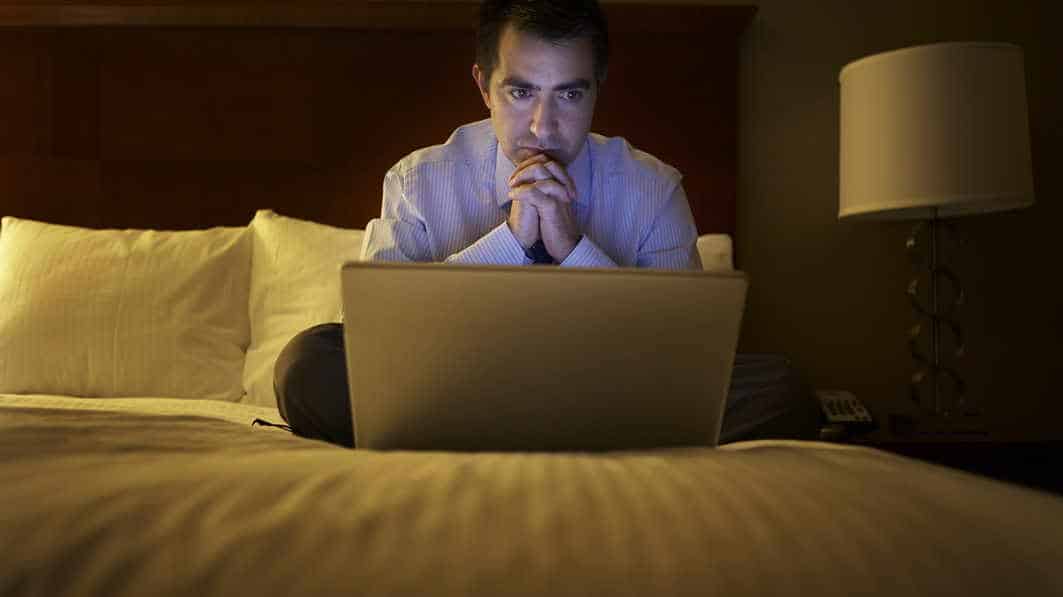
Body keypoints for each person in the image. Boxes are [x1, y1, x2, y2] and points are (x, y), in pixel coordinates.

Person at [273, 0, 702, 448]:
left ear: (598, 87)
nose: (544, 127)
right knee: (309, 363)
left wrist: (573, 247)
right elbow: (370, 343)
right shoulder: (418, 181)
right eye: (521, 93)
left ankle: (479, 433)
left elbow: (684, 358)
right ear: (483, 86)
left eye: (570, 94)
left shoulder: (654, 190)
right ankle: (545, 433)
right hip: (454, 391)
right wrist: (510, 240)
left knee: (773, 384)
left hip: (599, 393)